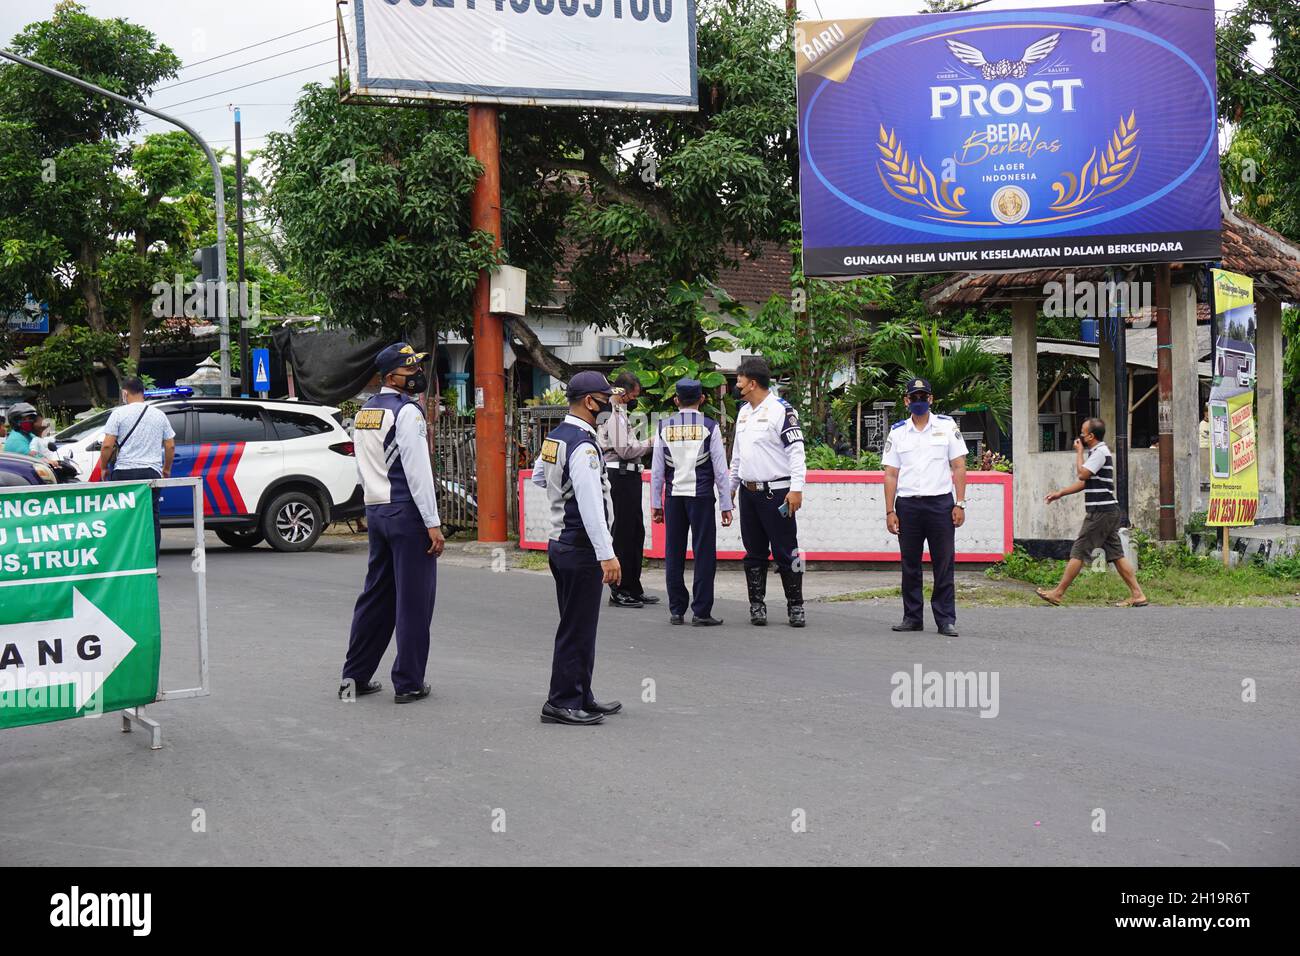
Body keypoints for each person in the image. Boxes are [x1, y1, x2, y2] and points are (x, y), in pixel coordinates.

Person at [339, 342, 446, 704]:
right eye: (410, 370)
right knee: (414, 601)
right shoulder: (407, 413)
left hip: (377, 511)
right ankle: (409, 682)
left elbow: (362, 464)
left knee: (375, 598)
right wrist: (432, 523)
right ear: (391, 377)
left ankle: (353, 677)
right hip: (406, 512)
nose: (417, 374)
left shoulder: (366, 411)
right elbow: (418, 473)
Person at [532, 371, 624, 726]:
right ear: (590, 402)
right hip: (581, 546)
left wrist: (560, 488)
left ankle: (581, 694)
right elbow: (590, 505)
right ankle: (561, 702)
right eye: (606, 399)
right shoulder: (583, 445)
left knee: (580, 625)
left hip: (562, 543)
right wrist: (607, 554)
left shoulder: (556, 437)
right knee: (576, 627)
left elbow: (540, 476)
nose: (609, 405)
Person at [882, 378, 968, 637]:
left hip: (940, 504)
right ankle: (912, 617)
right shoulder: (898, 432)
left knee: (944, 562)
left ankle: (945, 619)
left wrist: (960, 503)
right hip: (908, 506)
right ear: (906, 401)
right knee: (910, 563)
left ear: (931, 399)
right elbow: (890, 474)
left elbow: (959, 466)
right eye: (914, 397)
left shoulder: (946, 426)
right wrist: (889, 511)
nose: (919, 401)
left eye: (923, 397)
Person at [1036, 417, 1149, 608]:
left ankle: (1058, 593)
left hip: (1101, 512)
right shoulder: (1097, 452)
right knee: (1116, 555)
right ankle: (1138, 594)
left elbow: (1082, 474)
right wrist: (1060, 493)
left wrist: (1079, 452)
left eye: (1083, 431)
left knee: (1079, 550)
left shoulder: (1099, 453)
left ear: (1091, 435)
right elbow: (1085, 482)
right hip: (1107, 510)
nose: (1080, 435)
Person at [729, 356, 807, 627]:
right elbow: (737, 457)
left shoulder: (781, 410)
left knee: (789, 551)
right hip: (749, 493)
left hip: (778, 493)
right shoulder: (744, 412)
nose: (736, 383)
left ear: (752, 383)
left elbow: (797, 452)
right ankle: (757, 606)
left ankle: (796, 606)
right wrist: (730, 490)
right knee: (754, 552)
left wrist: (796, 489)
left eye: (739, 378)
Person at [650, 378, 732, 626]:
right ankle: (701, 611)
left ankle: (676, 610)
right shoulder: (710, 426)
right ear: (702, 400)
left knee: (673, 552)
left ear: (676, 400)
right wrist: (726, 504)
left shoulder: (663, 426)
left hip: (674, 497)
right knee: (704, 553)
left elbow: (657, 470)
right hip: (702, 497)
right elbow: (720, 469)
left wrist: (656, 503)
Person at [95, 379, 175, 558]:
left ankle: (125, 563)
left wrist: (103, 467)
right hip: (151, 473)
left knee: (122, 518)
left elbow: (107, 445)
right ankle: (151, 564)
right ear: (143, 392)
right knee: (151, 518)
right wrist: (166, 469)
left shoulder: (118, 414)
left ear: (125, 393)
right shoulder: (159, 415)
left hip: (124, 473)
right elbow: (170, 446)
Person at [598, 371, 657, 609]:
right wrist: (651, 443)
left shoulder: (621, 413)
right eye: (633, 394)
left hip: (629, 475)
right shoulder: (611, 415)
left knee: (635, 533)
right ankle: (620, 590)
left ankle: (633, 587)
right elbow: (625, 450)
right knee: (623, 533)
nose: (635, 398)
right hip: (619, 475)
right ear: (622, 392)